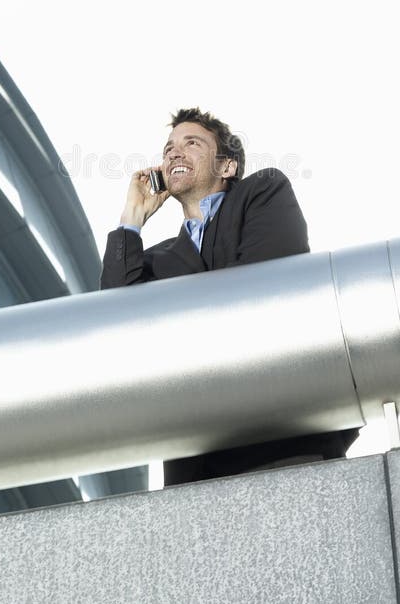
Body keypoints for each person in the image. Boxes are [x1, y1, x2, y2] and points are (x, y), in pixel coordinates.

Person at [101, 107, 358, 484]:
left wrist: (168, 328)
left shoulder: (262, 193)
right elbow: (113, 325)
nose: (174, 153)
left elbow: (259, 295)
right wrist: (131, 219)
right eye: (169, 147)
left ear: (227, 167)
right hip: (199, 465)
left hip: (288, 442)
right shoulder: (154, 259)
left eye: (192, 143)